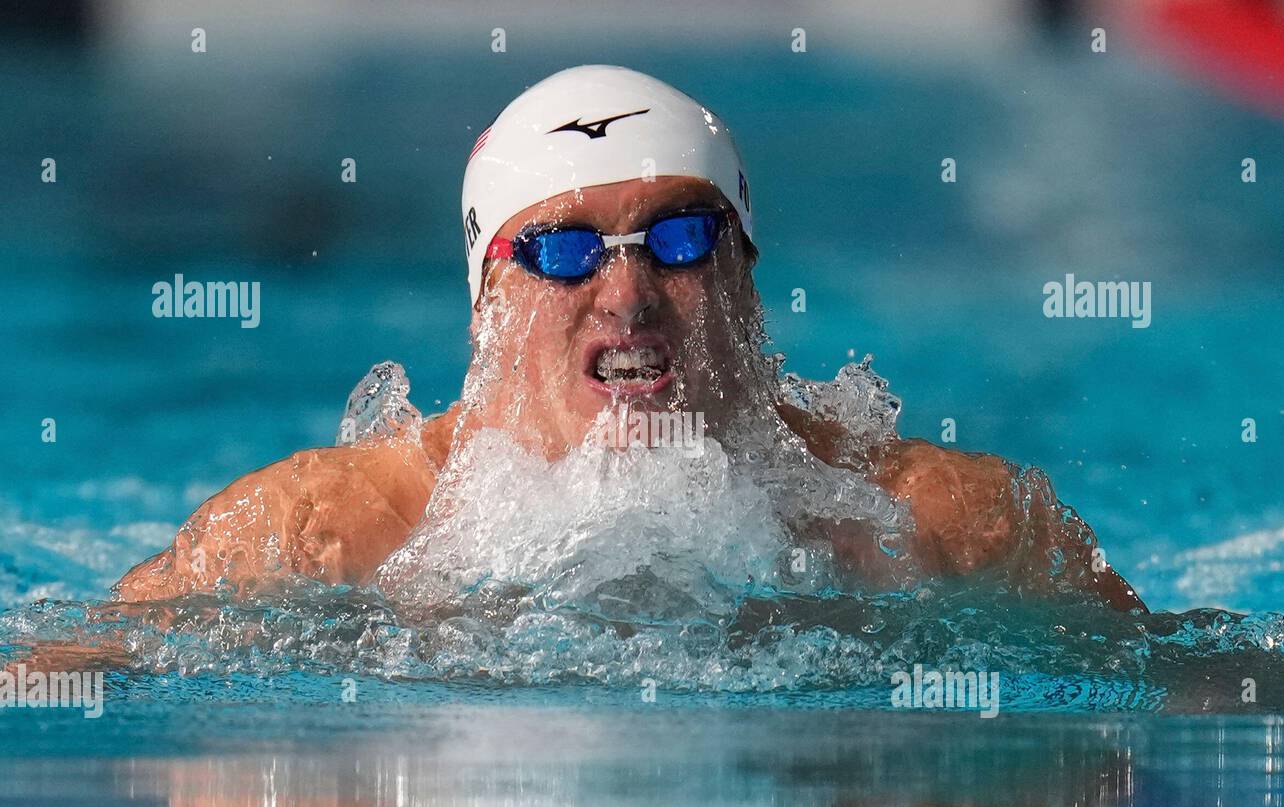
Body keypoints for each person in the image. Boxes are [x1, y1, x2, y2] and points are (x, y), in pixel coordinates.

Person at [115, 65, 1144, 613]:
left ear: (746, 273)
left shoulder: (951, 525)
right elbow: (67, 665)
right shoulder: (315, 531)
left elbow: (1193, 692)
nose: (628, 293)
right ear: (485, 301)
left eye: (680, 236)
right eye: (561, 249)